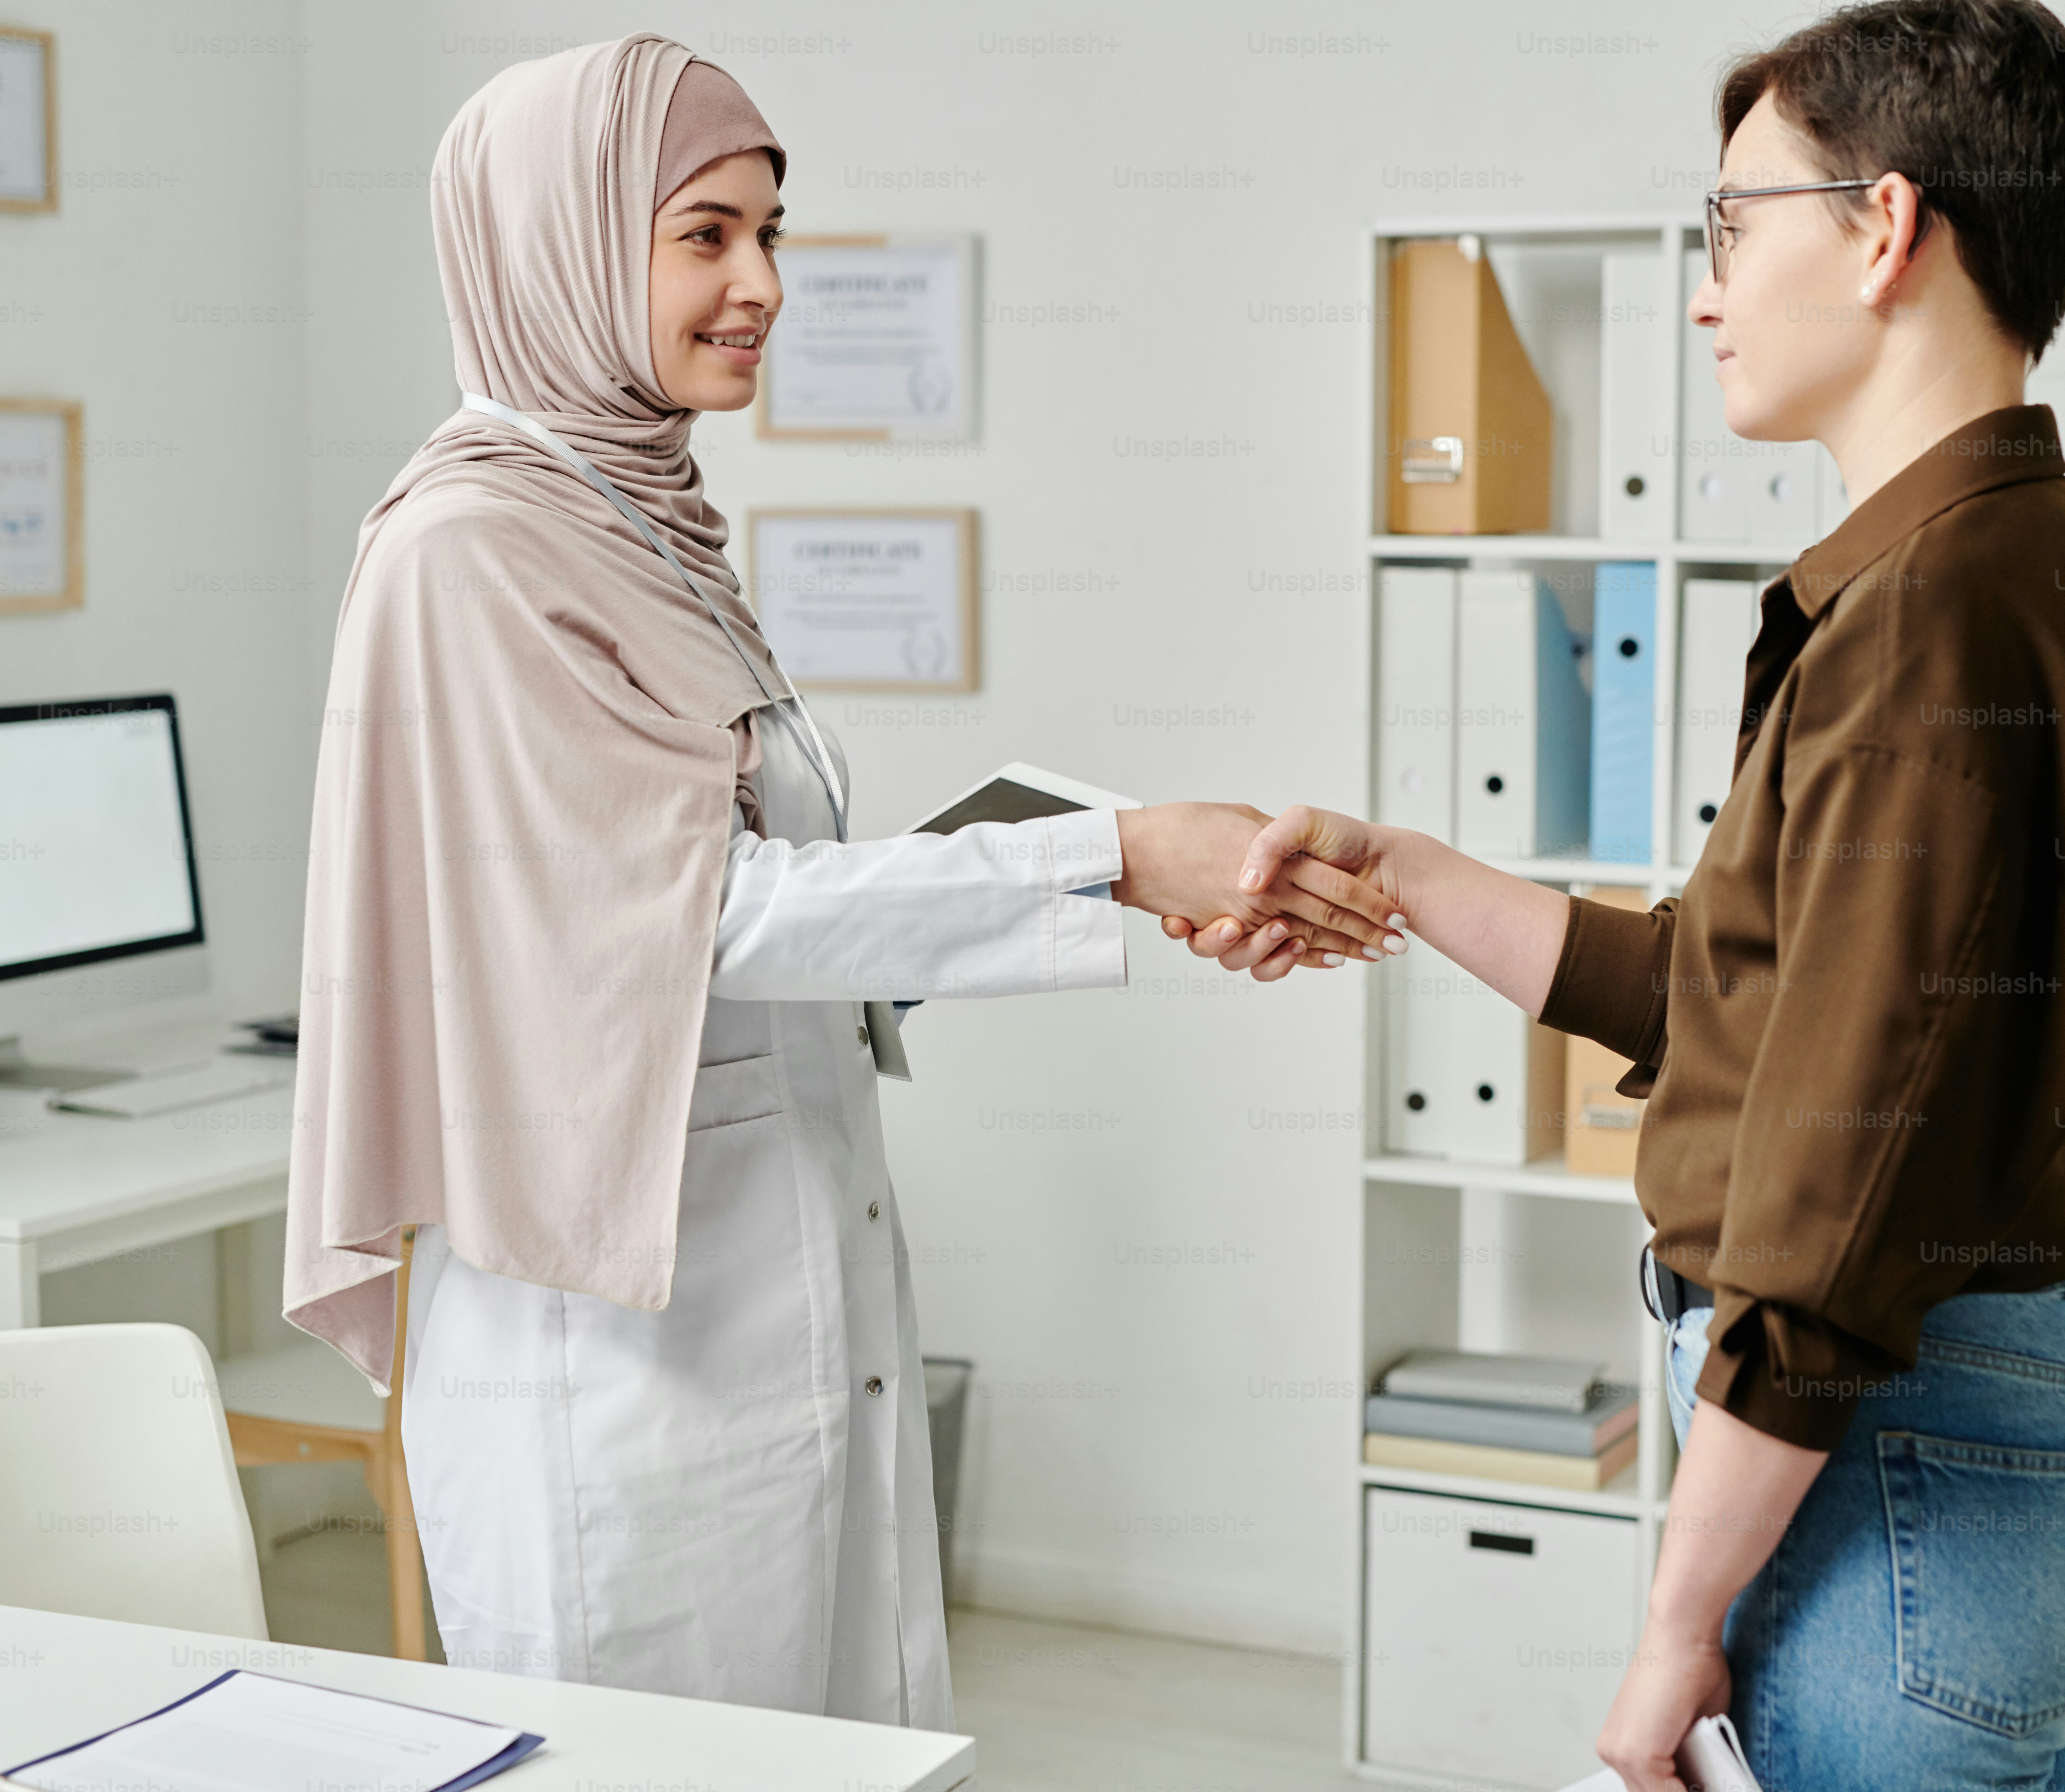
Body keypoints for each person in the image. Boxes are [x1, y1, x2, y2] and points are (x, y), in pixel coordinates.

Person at [282, 35, 1400, 1728]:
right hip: (621, 1385)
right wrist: (1108, 853)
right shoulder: (471, 551)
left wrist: (1104, 876)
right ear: (564, 242)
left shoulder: (642, 520)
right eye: (706, 235)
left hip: (780, 1305)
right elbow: (705, 918)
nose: (764, 286)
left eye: (773, 233)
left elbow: (742, 888)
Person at [1202, 3, 2065, 1785]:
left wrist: (1676, 1629)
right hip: (1953, 1441)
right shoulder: (2043, 571)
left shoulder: (1937, 623)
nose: (1705, 284)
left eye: (1737, 224)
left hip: (1898, 1457)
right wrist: (1408, 874)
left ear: (1886, 228)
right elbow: (1742, 1005)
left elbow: (1830, 1196)